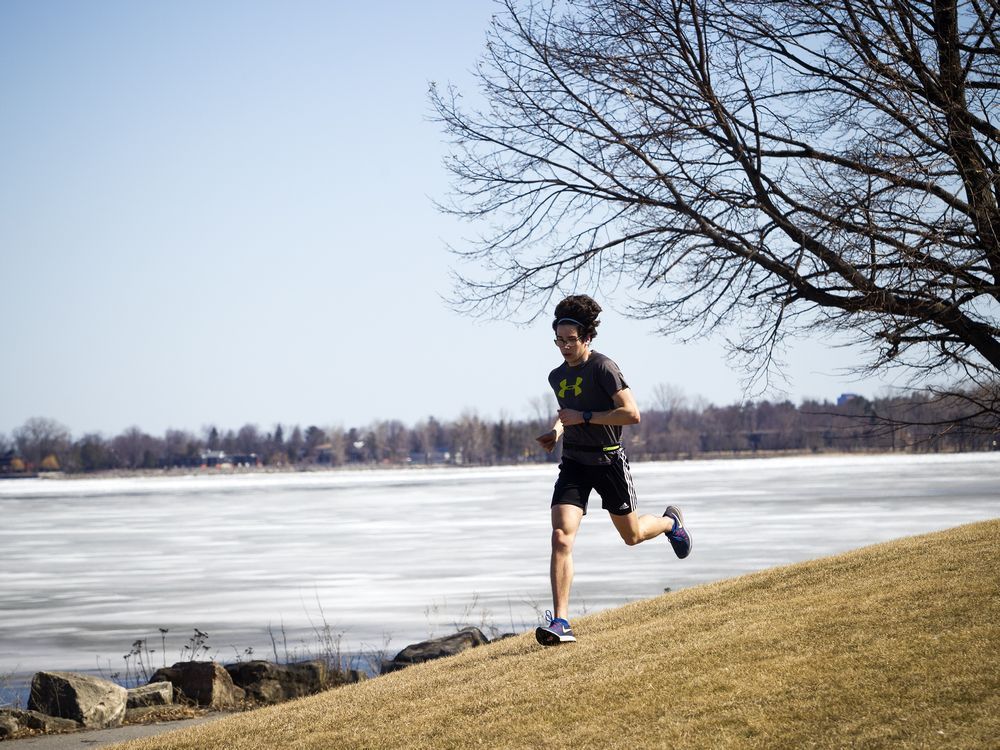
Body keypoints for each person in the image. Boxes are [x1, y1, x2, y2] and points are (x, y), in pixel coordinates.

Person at [534, 294, 692, 645]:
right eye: (558, 340)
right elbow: (569, 412)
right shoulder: (556, 376)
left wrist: (586, 418)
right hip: (574, 461)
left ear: (587, 338)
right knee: (561, 536)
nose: (563, 347)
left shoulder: (604, 368)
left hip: (608, 460)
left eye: (570, 341)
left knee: (632, 536)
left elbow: (631, 414)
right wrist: (556, 432)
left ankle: (670, 523)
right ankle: (561, 622)